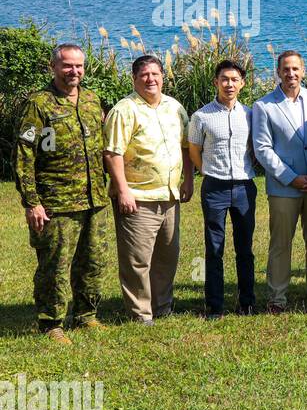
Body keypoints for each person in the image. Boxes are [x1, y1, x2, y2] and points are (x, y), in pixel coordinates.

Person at [15, 43, 110, 343]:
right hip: (56, 202)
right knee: (55, 265)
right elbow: (24, 153)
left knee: (93, 261)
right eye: (67, 65)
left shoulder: (93, 101)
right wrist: (32, 203)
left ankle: (85, 315)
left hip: (94, 198)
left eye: (79, 66)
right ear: (53, 67)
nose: (74, 71)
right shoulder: (39, 104)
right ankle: (51, 322)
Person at [104, 54, 193, 324]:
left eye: (155, 74)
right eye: (144, 75)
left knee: (167, 256)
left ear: (163, 77)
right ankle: (141, 314)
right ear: (134, 79)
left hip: (169, 195)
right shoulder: (125, 109)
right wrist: (123, 191)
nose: (150, 79)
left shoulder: (174, 107)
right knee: (137, 260)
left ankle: (162, 307)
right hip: (137, 197)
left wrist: (188, 180)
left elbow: (186, 147)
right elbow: (112, 153)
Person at [251, 50, 307, 313]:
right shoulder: (264, 106)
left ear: (303, 71)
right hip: (284, 187)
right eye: (286, 69)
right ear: (278, 72)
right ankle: (277, 299)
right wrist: (293, 179)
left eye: (296, 69)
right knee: (280, 244)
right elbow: (263, 149)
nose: (291, 74)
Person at [187, 59, 256, 319]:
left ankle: (247, 302)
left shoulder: (250, 114)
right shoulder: (201, 116)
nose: (229, 84)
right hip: (214, 187)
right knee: (214, 247)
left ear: (242, 83)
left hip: (244, 187)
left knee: (245, 248)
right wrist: (206, 171)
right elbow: (194, 151)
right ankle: (215, 305)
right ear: (216, 82)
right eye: (224, 79)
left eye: (234, 79)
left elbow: (255, 148)